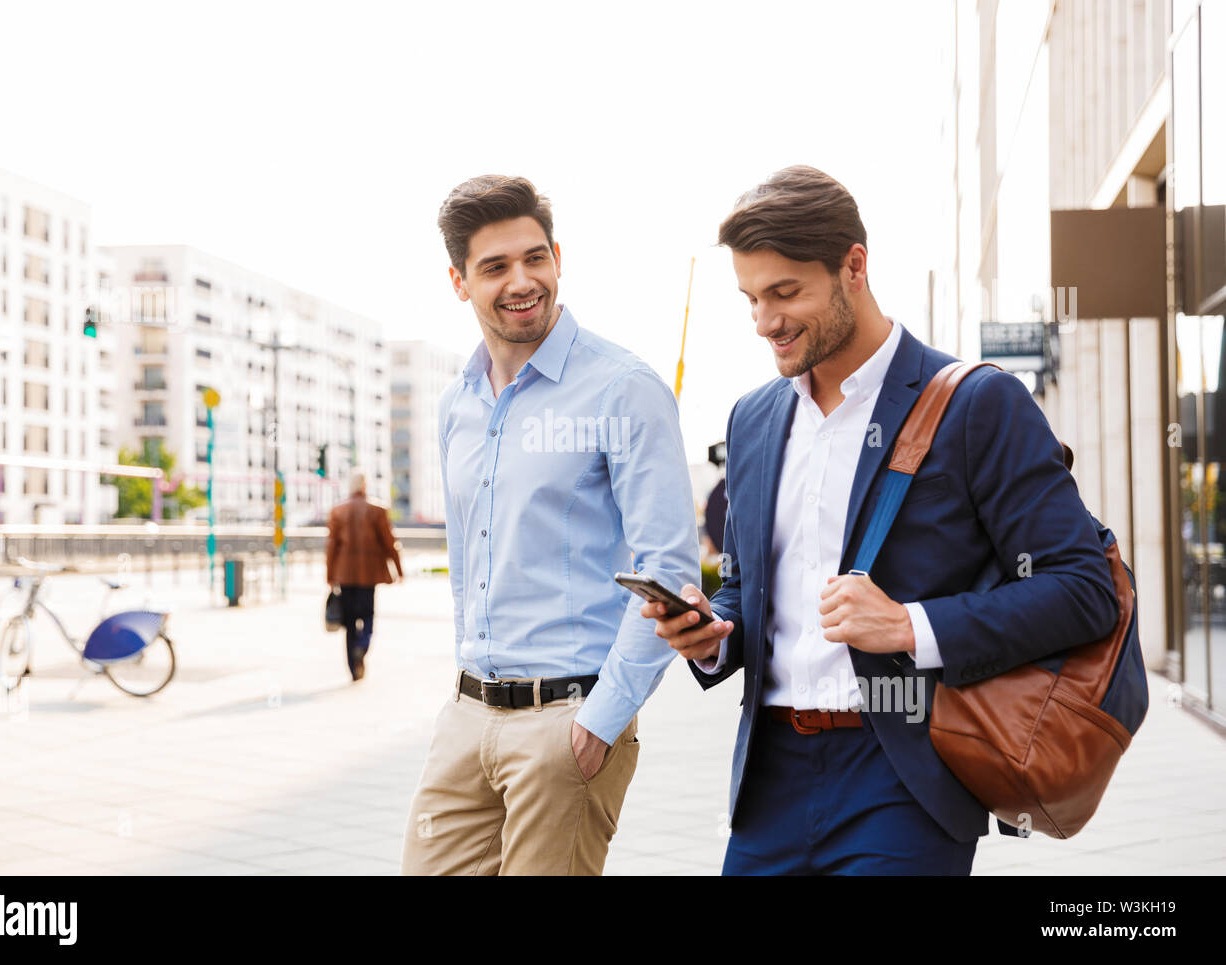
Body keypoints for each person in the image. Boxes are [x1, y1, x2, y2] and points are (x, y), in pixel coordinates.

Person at [643, 165, 1119, 875]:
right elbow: (746, 587)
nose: (765, 321)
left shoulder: (975, 404)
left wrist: (909, 626)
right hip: (768, 783)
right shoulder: (753, 419)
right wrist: (709, 634)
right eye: (749, 299)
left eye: (784, 292)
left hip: (904, 779)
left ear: (853, 267)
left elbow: (1085, 588)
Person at [400, 175, 699, 876]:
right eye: (496, 266)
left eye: (535, 257)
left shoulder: (623, 387)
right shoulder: (458, 404)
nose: (522, 279)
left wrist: (601, 719)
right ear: (458, 280)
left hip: (567, 719)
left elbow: (669, 570)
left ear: (558, 257)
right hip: (467, 714)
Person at [326, 470, 402, 680]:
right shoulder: (377, 510)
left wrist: (330, 574)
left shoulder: (338, 511)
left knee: (349, 622)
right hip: (369, 575)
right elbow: (389, 542)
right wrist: (398, 569)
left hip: (345, 574)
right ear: (365, 486)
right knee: (368, 615)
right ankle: (363, 646)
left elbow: (331, 546)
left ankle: (353, 669)